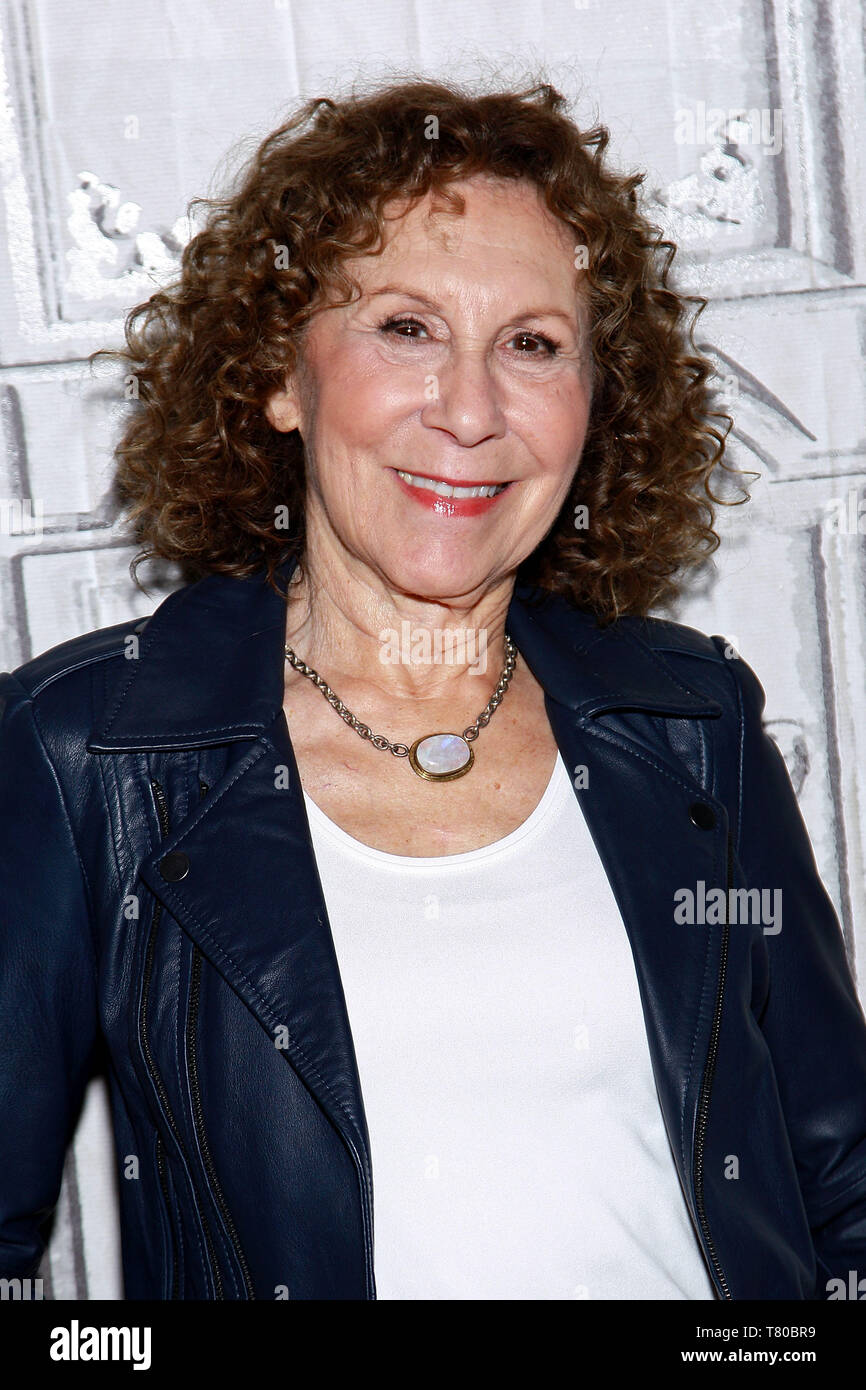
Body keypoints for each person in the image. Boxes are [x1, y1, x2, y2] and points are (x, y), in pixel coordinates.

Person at [1, 78, 864, 1302]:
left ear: (590, 407)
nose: (467, 410)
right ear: (277, 377)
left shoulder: (694, 723)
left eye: (531, 344)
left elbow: (842, 1177)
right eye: (404, 328)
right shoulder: (86, 752)